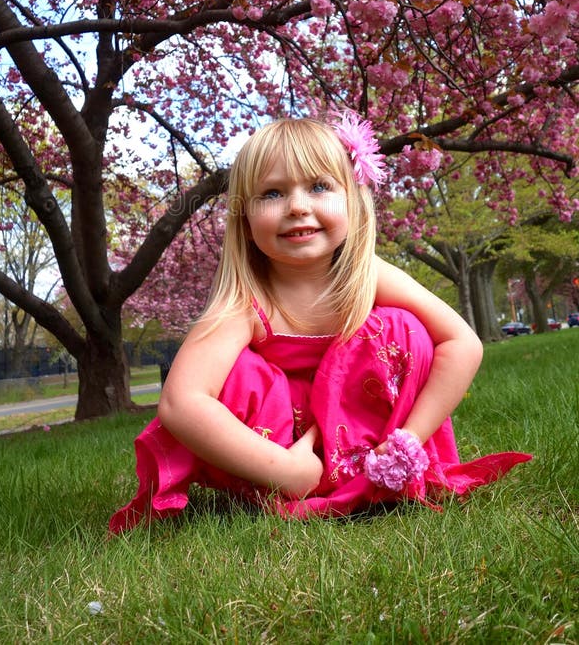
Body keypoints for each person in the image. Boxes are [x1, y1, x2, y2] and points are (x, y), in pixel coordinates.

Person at [109, 114, 531, 533]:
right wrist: (285, 470)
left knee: (404, 329)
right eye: (272, 193)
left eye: (319, 187)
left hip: (372, 444)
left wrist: (408, 440)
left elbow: (461, 342)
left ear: (352, 201)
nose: (297, 206)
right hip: (284, 452)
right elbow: (181, 402)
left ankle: (373, 473)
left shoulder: (369, 276)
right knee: (232, 373)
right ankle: (292, 484)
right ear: (246, 221)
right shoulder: (245, 302)